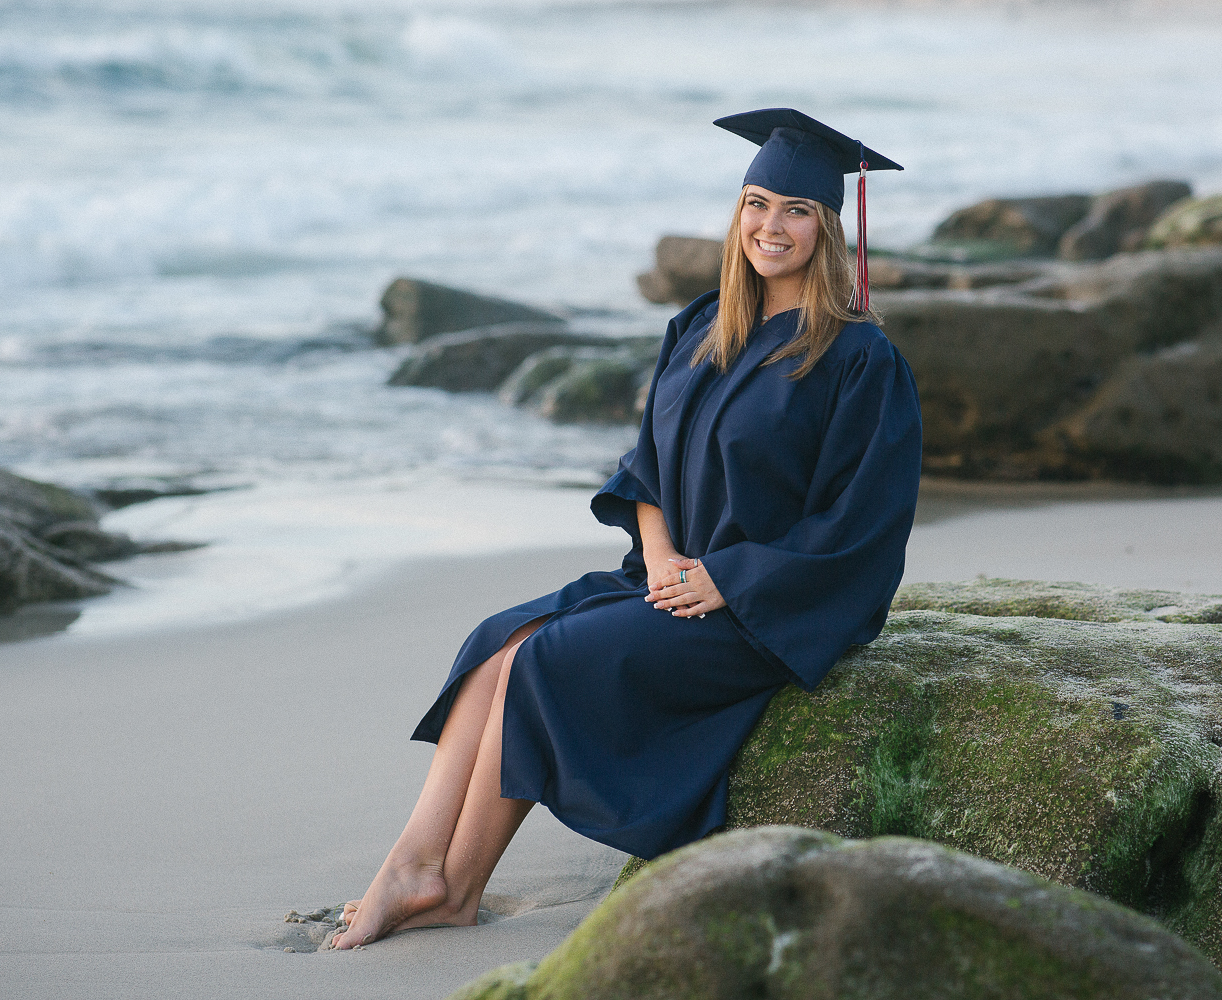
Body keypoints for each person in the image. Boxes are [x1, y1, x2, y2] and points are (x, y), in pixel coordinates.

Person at [333, 108, 922, 949]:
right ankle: (417, 867)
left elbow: (864, 521)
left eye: (796, 210)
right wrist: (659, 554)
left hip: (773, 606)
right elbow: (645, 461)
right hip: (668, 575)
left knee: (546, 662)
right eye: (757, 203)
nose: (771, 225)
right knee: (499, 641)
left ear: (827, 228)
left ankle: (453, 886)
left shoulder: (858, 358)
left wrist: (731, 578)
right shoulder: (698, 327)